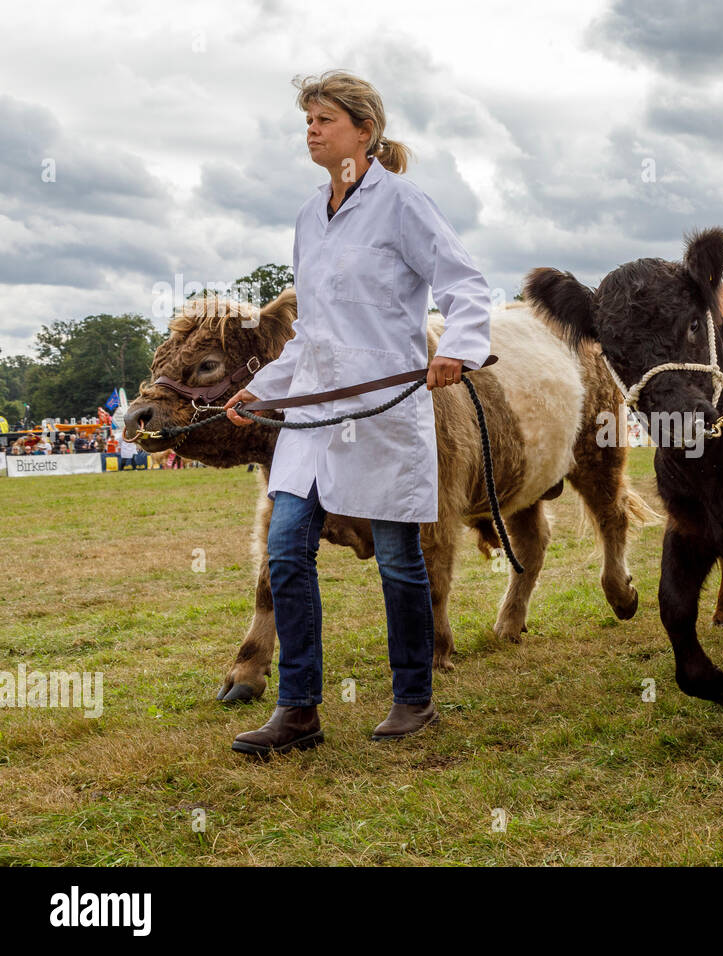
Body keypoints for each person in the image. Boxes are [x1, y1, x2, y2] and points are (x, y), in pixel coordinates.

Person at [223, 70, 492, 757]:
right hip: (313, 420)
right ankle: (299, 710)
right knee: (286, 551)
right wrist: (267, 386)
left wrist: (456, 350)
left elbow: (465, 283)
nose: (311, 132)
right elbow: (315, 328)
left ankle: (413, 697)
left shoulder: (402, 203)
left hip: (382, 411)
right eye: (307, 121)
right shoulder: (309, 213)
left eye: (323, 120)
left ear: (363, 130)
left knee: (401, 560)